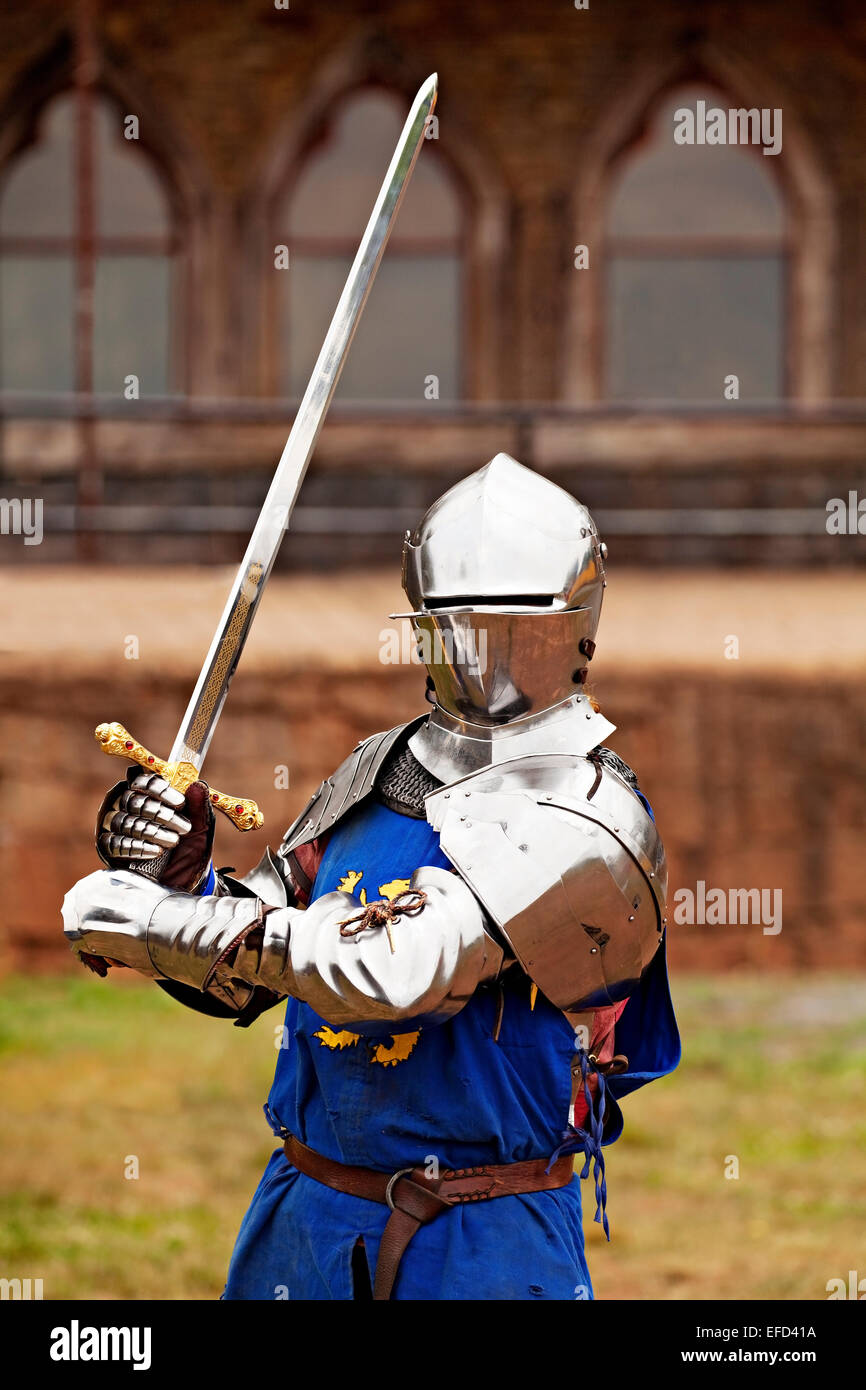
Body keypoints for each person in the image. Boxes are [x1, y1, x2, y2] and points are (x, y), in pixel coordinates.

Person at [62, 452, 680, 1301]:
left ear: (575, 625)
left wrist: (148, 920)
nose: (486, 658)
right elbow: (244, 979)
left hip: (481, 1242)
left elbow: (394, 973)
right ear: (422, 625)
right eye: (458, 628)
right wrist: (188, 877)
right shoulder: (375, 770)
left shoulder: (593, 812)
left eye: (519, 631)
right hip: (304, 1221)